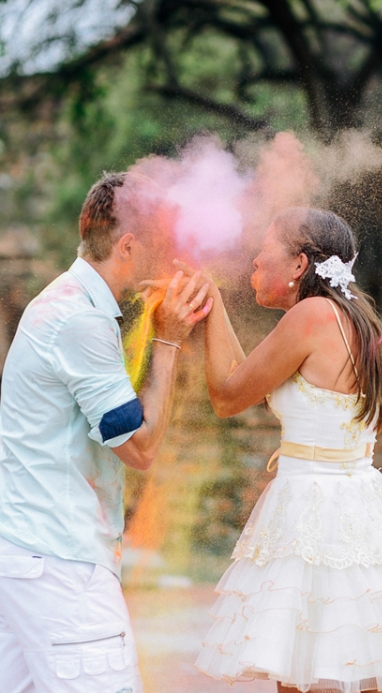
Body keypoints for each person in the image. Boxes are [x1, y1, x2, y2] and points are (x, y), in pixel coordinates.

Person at [194, 207, 382, 692]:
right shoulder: (354, 318)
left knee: (307, 673)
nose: (255, 265)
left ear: (299, 265)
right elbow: (252, 385)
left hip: (314, 513)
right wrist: (215, 304)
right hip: (359, 507)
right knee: (361, 669)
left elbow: (226, 396)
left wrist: (209, 304)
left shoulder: (310, 316)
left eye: (264, 253)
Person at [0, 172, 212, 693]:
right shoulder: (79, 320)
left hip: (32, 556)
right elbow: (139, 447)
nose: (169, 256)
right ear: (127, 245)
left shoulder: (68, 301)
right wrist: (168, 342)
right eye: (160, 242)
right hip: (60, 563)